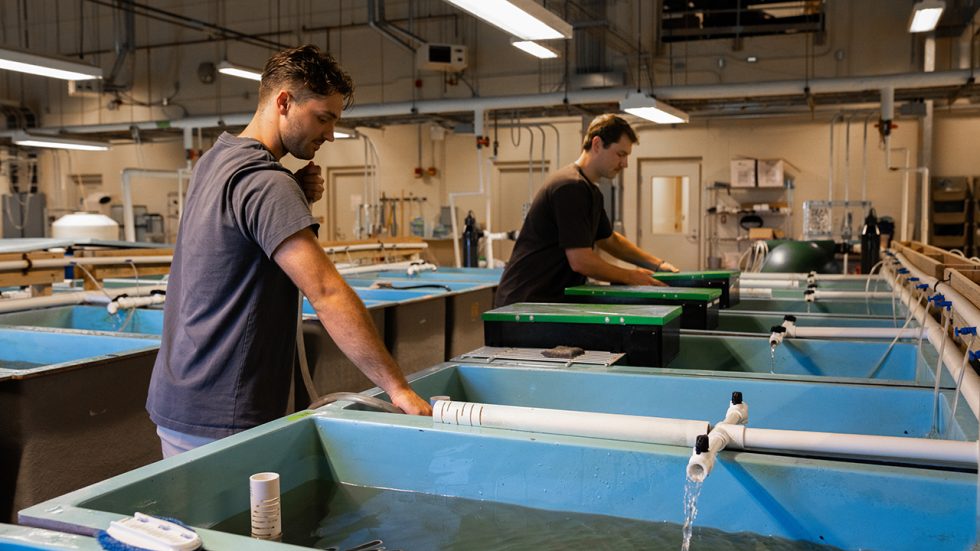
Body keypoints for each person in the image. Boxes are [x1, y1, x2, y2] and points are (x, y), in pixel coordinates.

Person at [146, 45, 431, 457]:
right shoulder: (267, 184)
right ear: (284, 102)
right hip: (225, 412)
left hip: (180, 400)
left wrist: (294, 194)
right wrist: (398, 388)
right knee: (246, 524)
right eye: (323, 117)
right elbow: (327, 292)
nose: (331, 134)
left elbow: (237, 243)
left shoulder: (216, 160)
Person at [495, 114, 678, 307]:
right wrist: (630, 276)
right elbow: (581, 261)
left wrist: (657, 264)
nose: (625, 164)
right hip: (524, 303)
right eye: (621, 154)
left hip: (546, 301)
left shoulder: (589, 190)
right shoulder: (569, 186)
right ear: (597, 144)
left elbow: (609, 239)